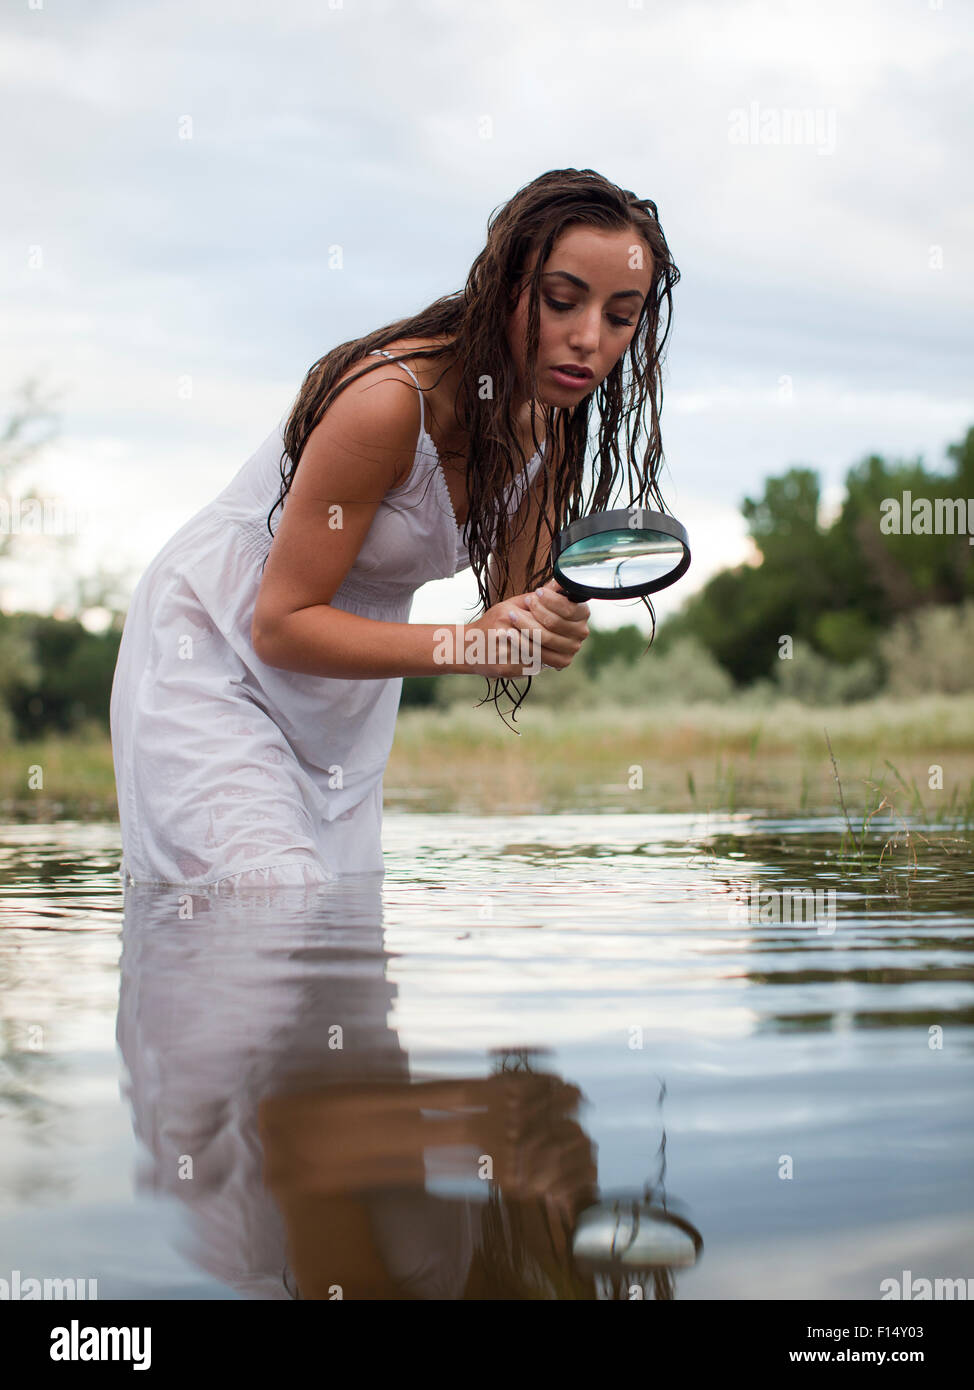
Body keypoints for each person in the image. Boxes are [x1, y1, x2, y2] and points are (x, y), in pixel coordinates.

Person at [109, 167, 680, 889]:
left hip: (347, 694)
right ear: (505, 286)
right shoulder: (385, 404)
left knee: (339, 957)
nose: (588, 339)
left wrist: (541, 625)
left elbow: (514, 613)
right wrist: (472, 645)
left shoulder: (551, 424)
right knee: (272, 900)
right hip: (216, 654)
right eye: (561, 301)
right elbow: (281, 625)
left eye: (621, 317)